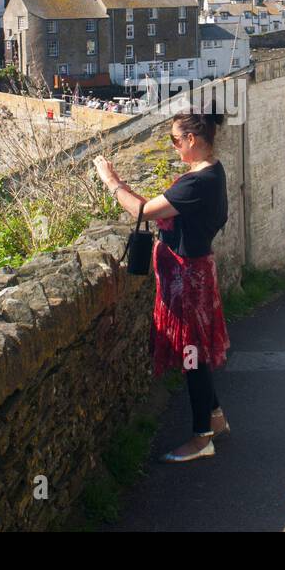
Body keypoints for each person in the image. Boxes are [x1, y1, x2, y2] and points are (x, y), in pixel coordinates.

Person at [93, 111, 230, 463]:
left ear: (192, 140)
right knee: (195, 351)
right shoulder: (213, 172)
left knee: (193, 356)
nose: (172, 147)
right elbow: (159, 211)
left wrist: (111, 182)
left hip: (188, 283)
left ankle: (202, 439)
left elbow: (141, 211)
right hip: (195, 276)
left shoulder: (196, 183)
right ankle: (215, 419)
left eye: (174, 140)